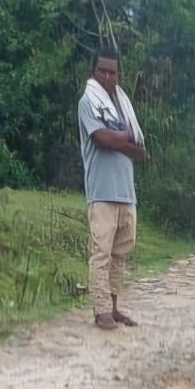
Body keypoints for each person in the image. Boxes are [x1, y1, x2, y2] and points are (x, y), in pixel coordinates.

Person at [78, 45, 147, 330]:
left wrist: (123, 139)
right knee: (101, 253)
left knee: (120, 254)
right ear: (93, 72)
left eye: (112, 71)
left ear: (119, 75)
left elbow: (140, 151)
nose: (107, 76)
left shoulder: (122, 103)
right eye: (102, 70)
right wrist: (125, 138)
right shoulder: (87, 102)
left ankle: (115, 307)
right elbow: (101, 139)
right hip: (102, 192)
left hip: (126, 193)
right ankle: (101, 311)